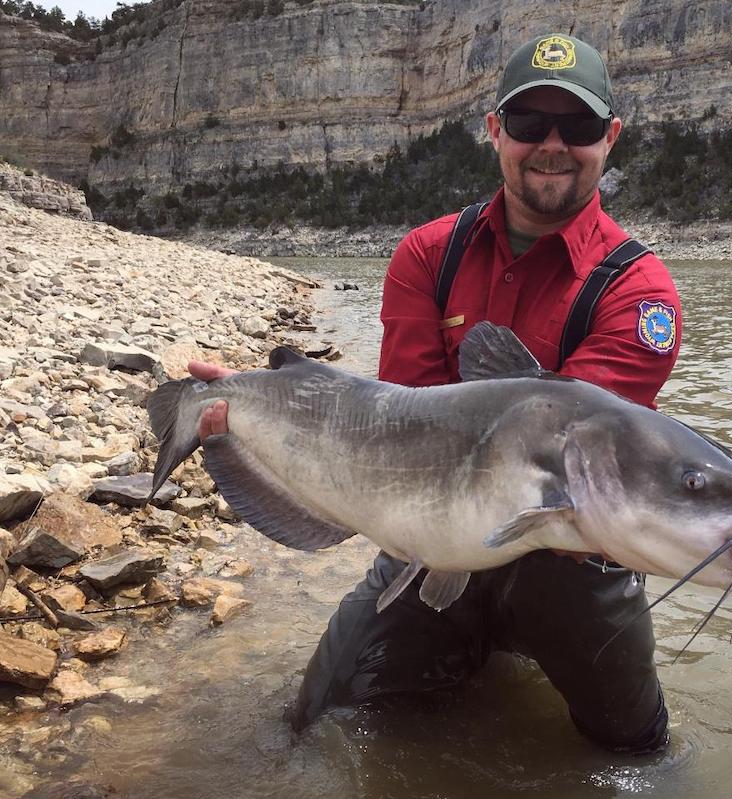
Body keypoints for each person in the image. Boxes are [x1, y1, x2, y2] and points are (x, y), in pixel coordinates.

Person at [191, 33, 682, 754]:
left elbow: (583, 459)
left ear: (609, 137)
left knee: (637, 752)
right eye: (529, 123)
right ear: (494, 130)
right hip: (433, 541)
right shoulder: (426, 254)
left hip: (572, 563)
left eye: (577, 126)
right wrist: (257, 424)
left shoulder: (640, 290)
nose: (552, 145)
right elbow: (399, 423)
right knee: (318, 723)